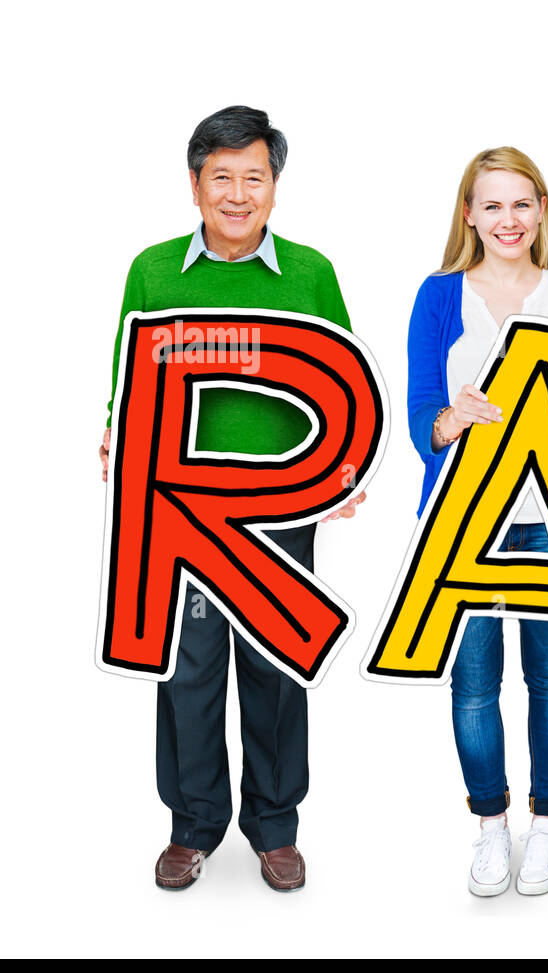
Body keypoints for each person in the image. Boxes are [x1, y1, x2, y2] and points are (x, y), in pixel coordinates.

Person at [99, 105, 364, 893]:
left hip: (282, 509)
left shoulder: (311, 273)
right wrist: (118, 435)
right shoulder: (153, 271)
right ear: (195, 185)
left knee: (277, 668)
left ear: (275, 188)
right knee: (186, 669)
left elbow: (349, 385)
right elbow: (130, 374)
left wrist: (346, 468)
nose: (238, 194)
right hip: (178, 512)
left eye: (255, 177)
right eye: (223, 178)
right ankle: (192, 825)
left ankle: (275, 828)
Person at [407, 147, 548, 897]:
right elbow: (417, 421)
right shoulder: (438, 297)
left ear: (542, 213)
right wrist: (450, 419)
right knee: (472, 683)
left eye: (522, 204)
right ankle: (491, 825)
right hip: (463, 518)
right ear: (469, 213)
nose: (508, 219)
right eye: (492, 204)